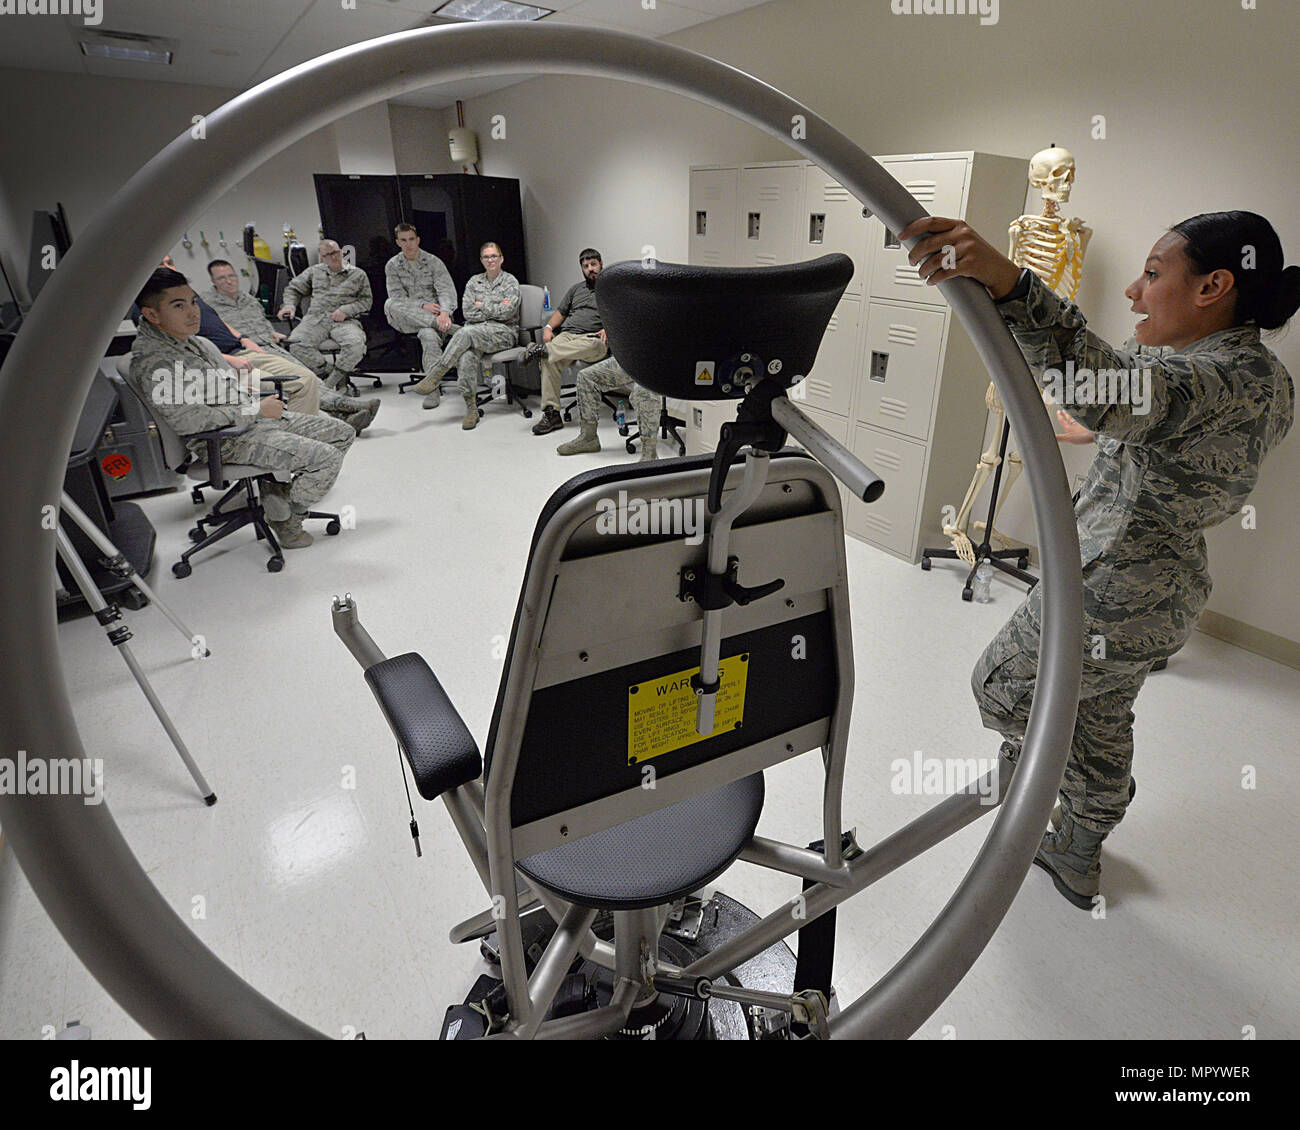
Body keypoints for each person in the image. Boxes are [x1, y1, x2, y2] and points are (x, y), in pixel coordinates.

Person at [897, 210, 1296, 909]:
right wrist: (1093, 424)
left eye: (1152, 274)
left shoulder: (1210, 376)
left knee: (1004, 688)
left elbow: (1116, 392)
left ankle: (1034, 792)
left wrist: (1012, 283)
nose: (1135, 295)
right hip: (1163, 596)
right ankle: (1078, 850)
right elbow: (1146, 427)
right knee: (1101, 719)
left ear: (1214, 286)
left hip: (1111, 588)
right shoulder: (1263, 375)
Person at [131, 267, 355, 549]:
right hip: (225, 439)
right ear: (151, 314)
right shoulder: (155, 361)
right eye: (178, 305)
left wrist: (248, 400)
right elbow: (189, 423)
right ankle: (287, 518)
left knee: (342, 432)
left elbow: (213, 388)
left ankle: (276, 495)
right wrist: (257, 410)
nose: (192, 312)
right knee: (325, 458)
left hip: (248, 421)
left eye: (193, 301)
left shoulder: (187, 341)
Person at [200, 259, 380, 434]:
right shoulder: (207, 304)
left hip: (270, 345)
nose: (229, 281)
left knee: (310, 379)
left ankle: (344, 417)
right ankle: (350, 407)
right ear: (213, 281)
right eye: (222, 278)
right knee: (298, 382)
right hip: (245, 352)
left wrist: (273, 333)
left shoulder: (248, 299)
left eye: (231, 275)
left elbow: (262, 322)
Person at [411, 242, 519, 429]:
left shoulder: (510, 281)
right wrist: (492, 306)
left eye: (494, 256)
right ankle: (471, 409)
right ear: (481, 260)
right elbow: (468, 312)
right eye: (486, 257)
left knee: (465, 332)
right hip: (475, 331)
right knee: (467, 356)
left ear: (501, 259)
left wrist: (481, 305)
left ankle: (436, 375)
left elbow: (507, 313)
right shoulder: (473, 282)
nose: (490, 260)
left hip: (503, 333)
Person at [524, 248, 610, 436]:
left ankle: (543, 350)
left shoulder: (611, 289)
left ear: (601, 264)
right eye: (585, 266)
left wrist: (610, 329)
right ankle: (552, 414)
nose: (590, 269)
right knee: (549, 360)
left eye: (593, 264)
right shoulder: (576, 289)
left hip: (593, 339)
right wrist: (547, 328)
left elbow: (624, 315)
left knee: (557, 351)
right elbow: (560, 313)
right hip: (568, 336)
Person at [278, 240, 372, 391]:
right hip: (316, 319)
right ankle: (335, 375)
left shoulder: (357, 274)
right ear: (322, 258)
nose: (333, 257)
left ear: (341, 252)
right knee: (295, 344)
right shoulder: (314, 271)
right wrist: (289, 305)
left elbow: (366, 301)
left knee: (355, 345)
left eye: (335, 252)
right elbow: (293, 289)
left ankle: (328, 386)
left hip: (345, 321)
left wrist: (346, 310)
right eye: (327, 255)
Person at [383, 223, 457, 407]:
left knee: (428, 335)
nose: (408, 244)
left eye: (411, 239)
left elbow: (447, 292)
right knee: (390, 304)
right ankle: (454, 330)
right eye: (403, 240)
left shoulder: (433, 262)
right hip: (408, 317)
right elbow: (397, 297)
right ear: (398, 242)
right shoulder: (392, 265)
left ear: (418, 240)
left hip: (440, 317)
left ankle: (433, 388)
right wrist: (422, 305)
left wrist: (445, 313)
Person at [555, 354, 661, 461]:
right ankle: (588, 438)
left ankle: (649, 455)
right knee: (585, 377)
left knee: (642, 392)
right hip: (632, 360)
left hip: (660, 363)